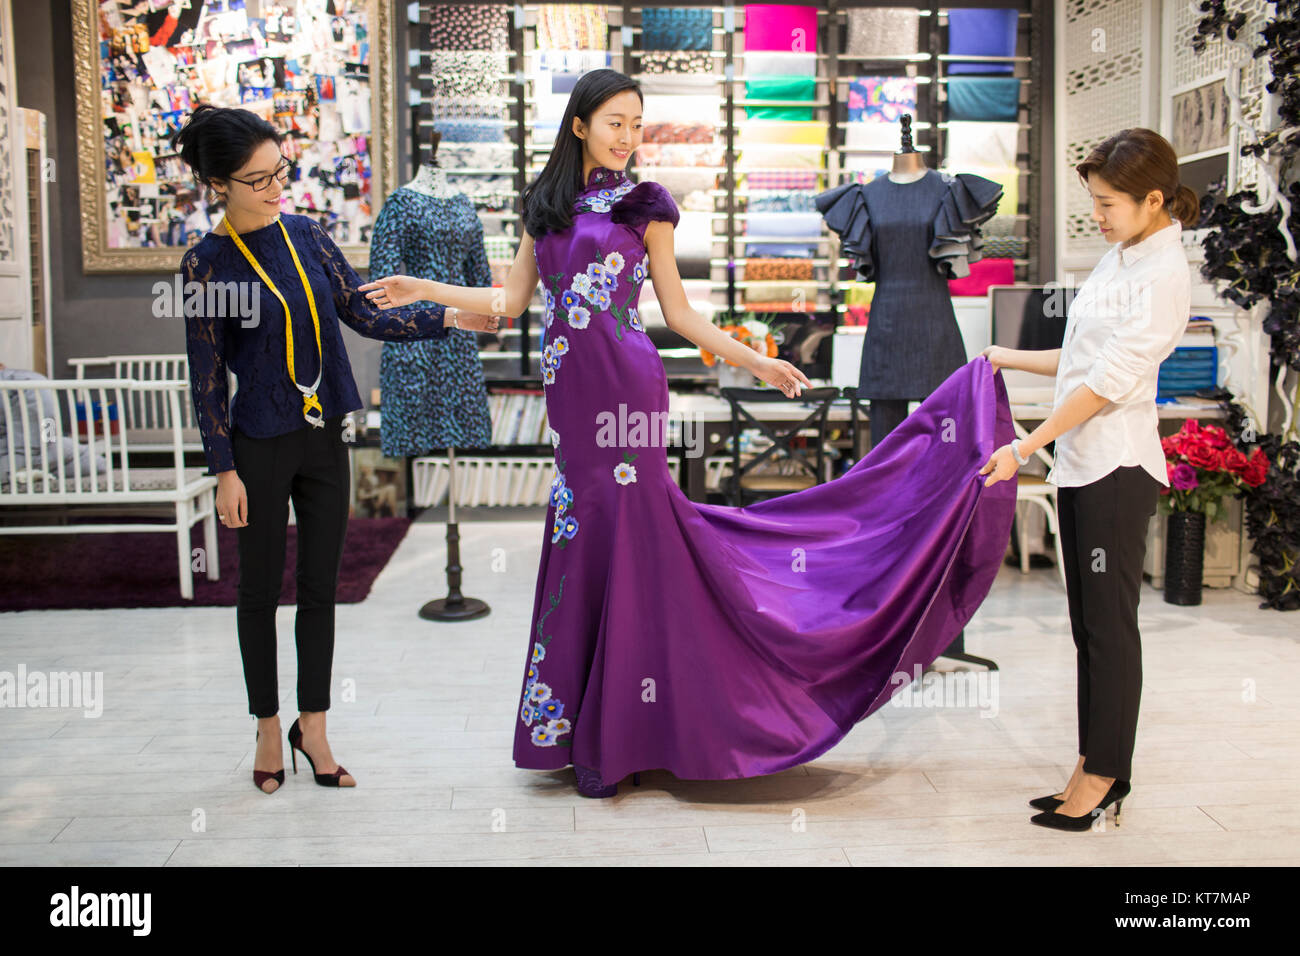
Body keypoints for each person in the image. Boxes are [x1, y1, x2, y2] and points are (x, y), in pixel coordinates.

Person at [362, 69, 1017, 798]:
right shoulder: (543, 208)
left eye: (637, 124)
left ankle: (634, 730)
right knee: (584, 533)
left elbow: (679, 315)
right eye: (616, 121)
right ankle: (594, 726)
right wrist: (422, 289)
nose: (628, 136)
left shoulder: (647, 205)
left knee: (635, 533)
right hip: (572, 404)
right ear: (579, 124)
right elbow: (509, 301)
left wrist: (758, 362)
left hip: (629, 391)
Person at [172, 104, 498, 794]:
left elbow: (363, 309)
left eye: (279, 171)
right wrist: (222, 469)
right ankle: (268, 725)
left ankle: (312, 726)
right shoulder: (205, 263)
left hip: (326, 437)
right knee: (258, 592)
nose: (274, 188)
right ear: (218, 185)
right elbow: (204, 379)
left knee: (321, 590)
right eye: (257, 180)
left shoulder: (308, 236)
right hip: (257, 445)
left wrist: (445, 316)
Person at [979, 127, 1197, 830]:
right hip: (1082, 463)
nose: (1097, 215)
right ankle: (1089, 761)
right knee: (1088, 628)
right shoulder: (1122, 256)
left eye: (1108, 203)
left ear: (1153, 199)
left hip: (1115, 468)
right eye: (1095, 202)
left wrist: (1028, 443)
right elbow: (1077, 358)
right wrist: (1003, 356)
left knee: (1109, 628)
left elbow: (1103, 387)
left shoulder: (1165, 277)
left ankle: (1104, 774)